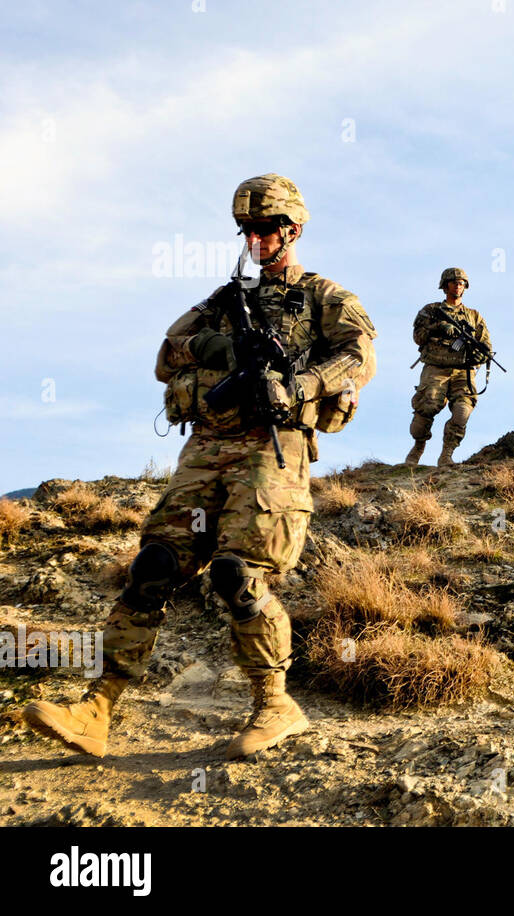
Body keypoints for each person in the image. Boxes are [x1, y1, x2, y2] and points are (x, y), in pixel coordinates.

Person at [23, 174, 377, 759]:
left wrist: (304, 383)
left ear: (293, 228)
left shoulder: (324, 297)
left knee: (240, 577)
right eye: (246, 229)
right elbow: (168, 353)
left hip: (272, 452)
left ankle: (275, 705)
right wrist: (229, 350)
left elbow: (359, 354)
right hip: (205, 452)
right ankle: (98, 709)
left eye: (265, 228)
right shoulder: (222, 302)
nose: (255, 238)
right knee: (153, 566)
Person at [405, 268, 492, 467]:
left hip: (464, 370)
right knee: (426, 408)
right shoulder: (432, 310)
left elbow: (486, 343)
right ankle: (418, 446)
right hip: (436, 368)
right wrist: (438, 327)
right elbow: (418, 337)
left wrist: (482, 353)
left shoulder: (474, 316)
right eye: (454, 282)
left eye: (461, 282)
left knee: (463, 411)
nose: (458, 285)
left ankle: (447, 454)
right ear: (445, 286)